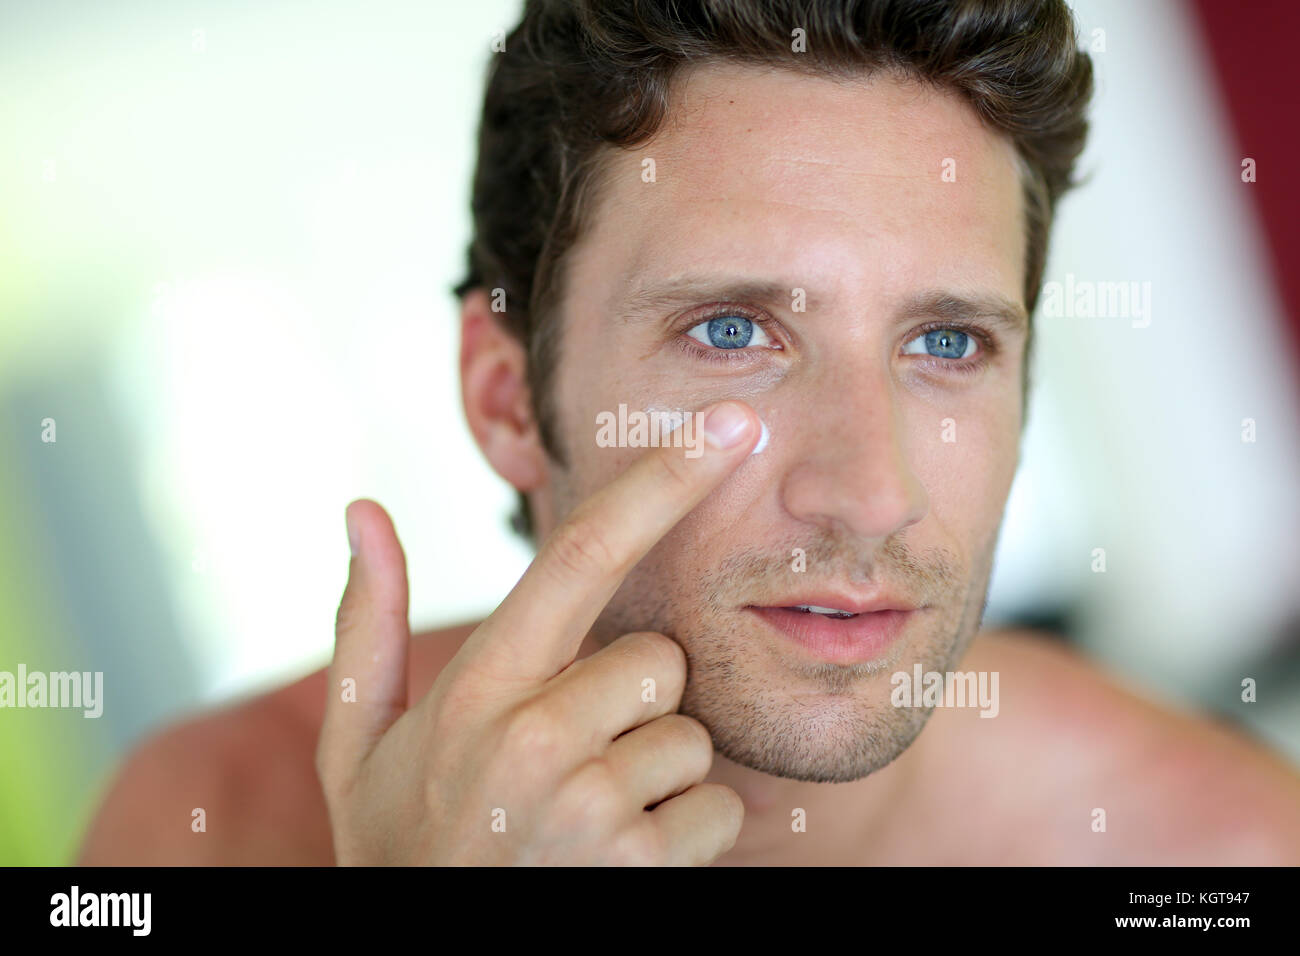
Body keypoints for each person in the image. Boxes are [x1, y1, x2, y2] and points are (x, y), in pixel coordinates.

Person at [79, 0, 1300, 865]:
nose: (869, 492)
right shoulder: (206, 826)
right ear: (508, 398)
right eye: (732, 331)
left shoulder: (1214, 851)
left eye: (944, 344)